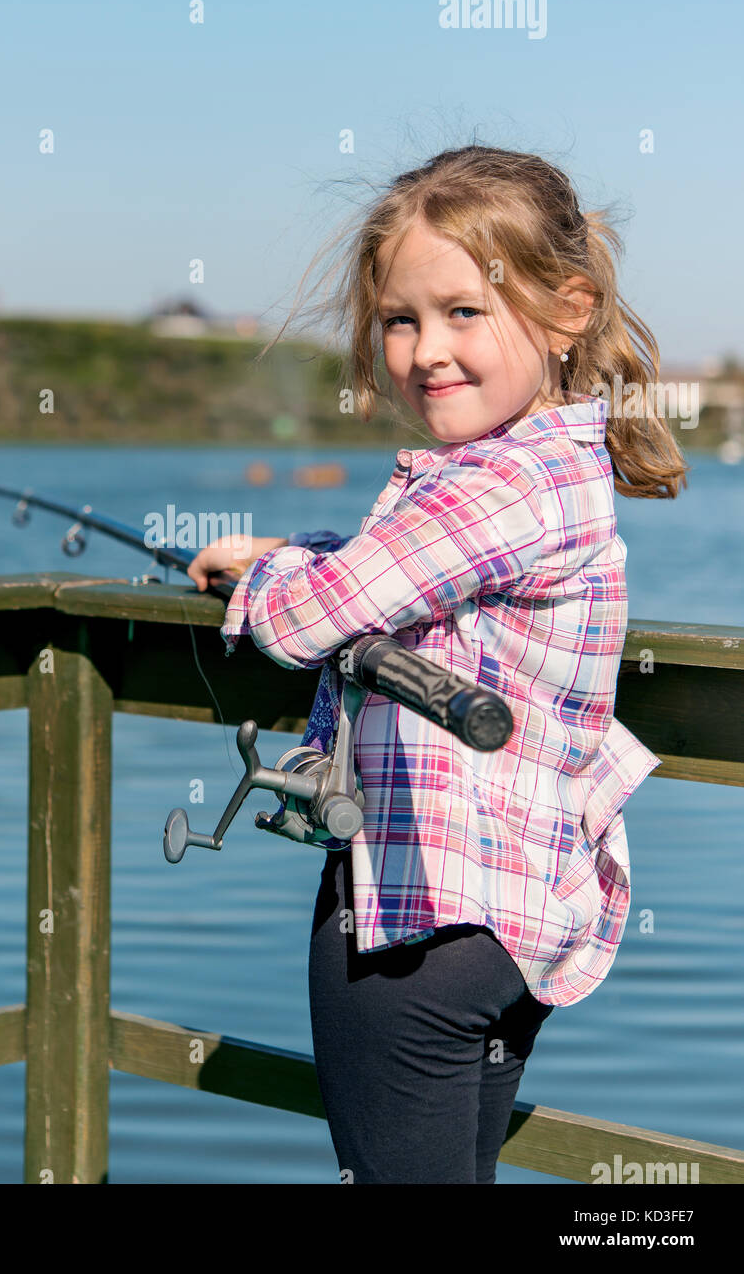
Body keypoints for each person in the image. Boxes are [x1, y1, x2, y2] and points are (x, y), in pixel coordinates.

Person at [187, 144, 688, 1184]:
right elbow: (402, 576)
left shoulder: (492, 486)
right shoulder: (547, 463)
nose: (425, 350)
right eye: (400, 319)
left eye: (464, 311)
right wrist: (294, 554)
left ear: (565, 312)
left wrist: (271, 584)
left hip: (420, 932)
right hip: (511, 921)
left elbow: (304, 623)